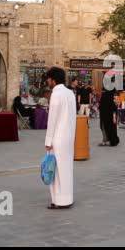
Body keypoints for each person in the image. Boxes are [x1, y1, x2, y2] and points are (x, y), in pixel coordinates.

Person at [44, 67, 77, 210]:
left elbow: (52, 119)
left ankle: (58, 200)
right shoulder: (70, 93)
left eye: (48, 79)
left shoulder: (56, 94)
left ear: (53, 79)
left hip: (57, 137)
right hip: (68, 136)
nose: (47, 81)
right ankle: (67, 198)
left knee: (55, 170)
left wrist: (48, 140)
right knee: (66, 168)